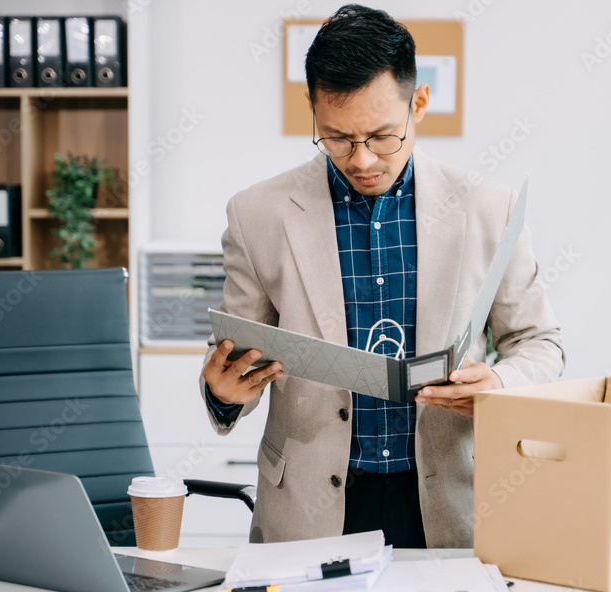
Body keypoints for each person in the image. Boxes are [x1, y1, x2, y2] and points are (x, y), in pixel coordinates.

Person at [200, 4, 563, 549]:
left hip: (450, 498)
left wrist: (501, 384)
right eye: (337, 138)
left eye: (383, 135)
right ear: (313, 108)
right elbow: (239, 361)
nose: (362, 159)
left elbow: (540, 343)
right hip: (311, 508)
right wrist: (224, 393)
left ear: (418, 103)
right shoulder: (257, 215)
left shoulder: (491, 206)